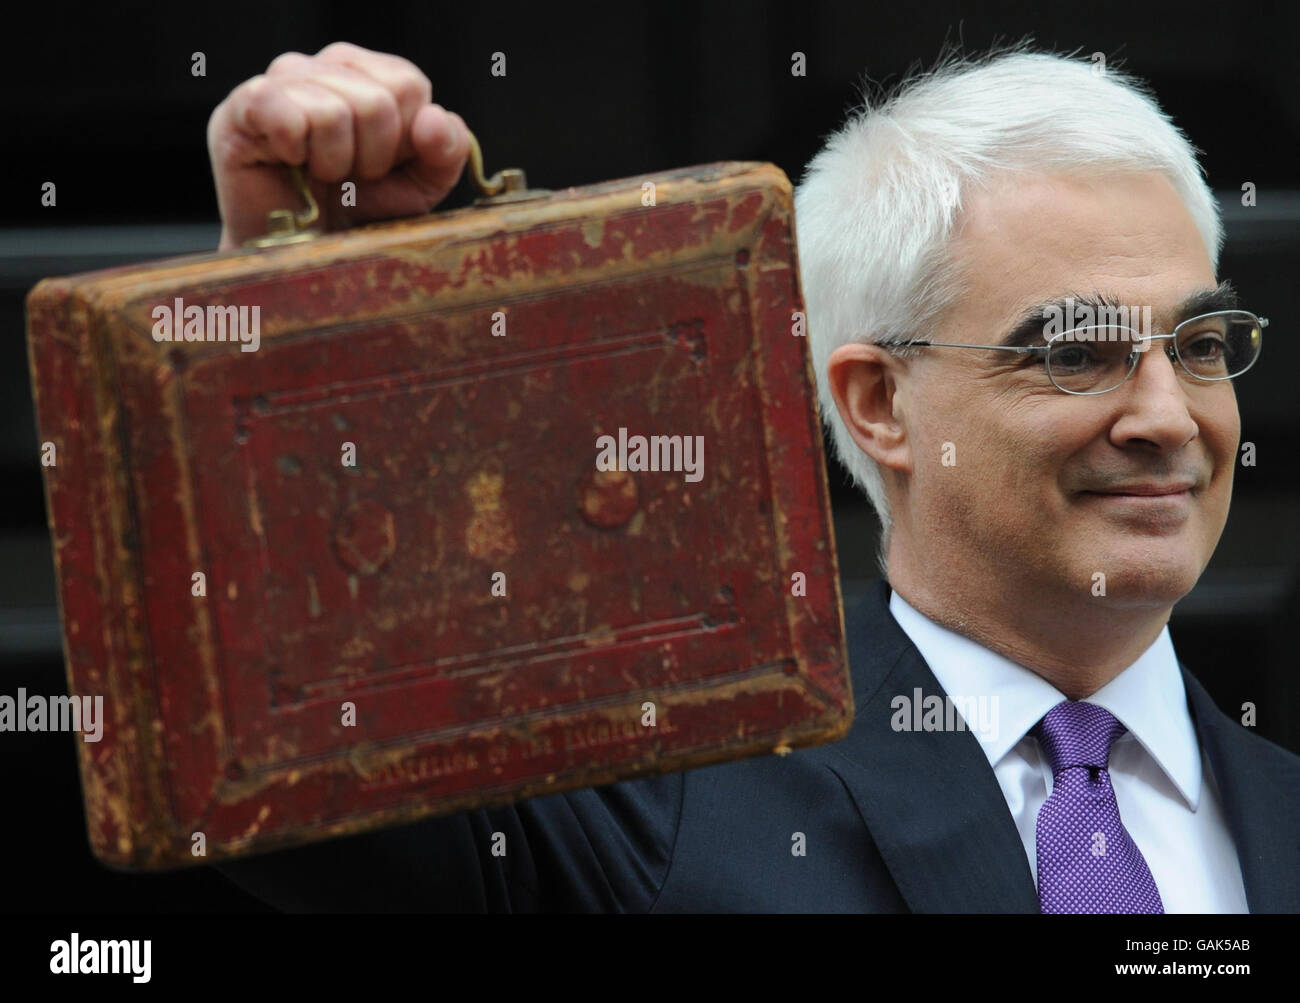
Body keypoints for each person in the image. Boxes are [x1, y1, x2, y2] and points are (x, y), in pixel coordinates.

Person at [210, 42, 1300, 913]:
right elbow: (296, 797)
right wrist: (306, 332)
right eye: (1074, 353)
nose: (1169, 417)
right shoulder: (664, 802)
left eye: (1199, 347)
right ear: (878, 403)